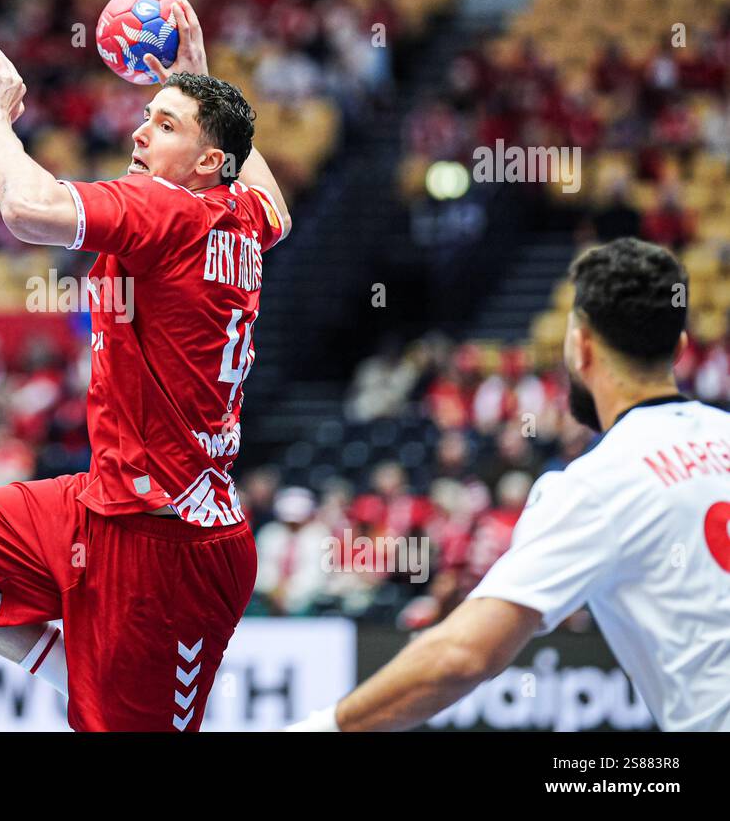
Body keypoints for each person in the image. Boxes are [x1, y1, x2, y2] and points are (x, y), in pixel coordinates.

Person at [0, 0, 291, 731]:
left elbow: (26, 209)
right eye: (148, 114)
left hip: (173, 550)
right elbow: (274, 203)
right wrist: (202, 85)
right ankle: (70, 666)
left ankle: (100, 681)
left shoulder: (167, 212)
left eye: (166, 123)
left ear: (206, 163)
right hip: (100, 499)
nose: (139, 128)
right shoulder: (244, 215)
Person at [287, 238, 730, 732]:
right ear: (680, 348)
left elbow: (463, 654)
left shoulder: (595, 484)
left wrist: (320, 728)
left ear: (581, 347)